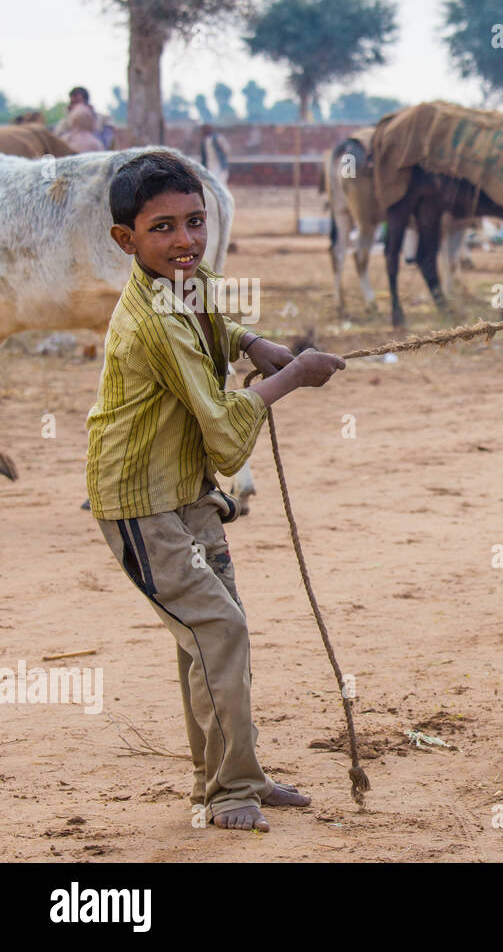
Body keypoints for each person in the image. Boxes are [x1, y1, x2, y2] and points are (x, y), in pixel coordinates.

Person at [85, 151, 347, 832]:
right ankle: (228, 793)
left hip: (185, 490)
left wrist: (253, 341)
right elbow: (228, 436)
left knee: (210, 632)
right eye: (163, 228)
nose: (186, 241)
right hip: (140, 502)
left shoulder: (189, 283)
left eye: (195, 221)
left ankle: (231, 777)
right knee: (217, 629)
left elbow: (217, 326)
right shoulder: (155, 321)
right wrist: (291, 379)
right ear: (126, 240)